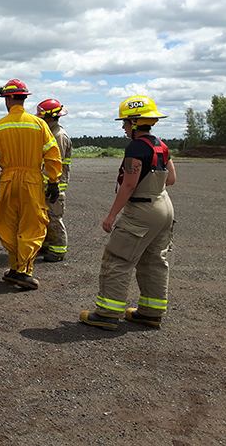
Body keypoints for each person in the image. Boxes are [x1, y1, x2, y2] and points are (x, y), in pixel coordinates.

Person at [80, 95, 176, 331]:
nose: (123, 128)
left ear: (134, 123)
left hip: (141, 210)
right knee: (154, 260)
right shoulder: (161, 145)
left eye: (125, 123)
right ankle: (150, 313)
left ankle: (107, 313)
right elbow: (172, 179)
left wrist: (111, 215)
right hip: (164, 207)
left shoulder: (136, 147)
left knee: (118, 258)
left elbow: (129, 185)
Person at [0, 79, 62, 290]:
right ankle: (23, 271)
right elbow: (53, 156)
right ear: (24, 98)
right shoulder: (39, 124)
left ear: (8, 99)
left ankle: (16, 267)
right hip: (32, 181)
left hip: (7, 180)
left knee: (8, 223)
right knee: (32, 225)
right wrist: (54, 181)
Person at [35, 98, 73, 262]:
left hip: (55, 185)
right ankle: (46, 245)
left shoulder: (58, 135)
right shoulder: (50, 133)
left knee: (54, 217)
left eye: (41, 116)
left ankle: (58, 251)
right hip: (47, 184)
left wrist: (53, 184)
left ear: (49, 116)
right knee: (44, 216)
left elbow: (55, 163)